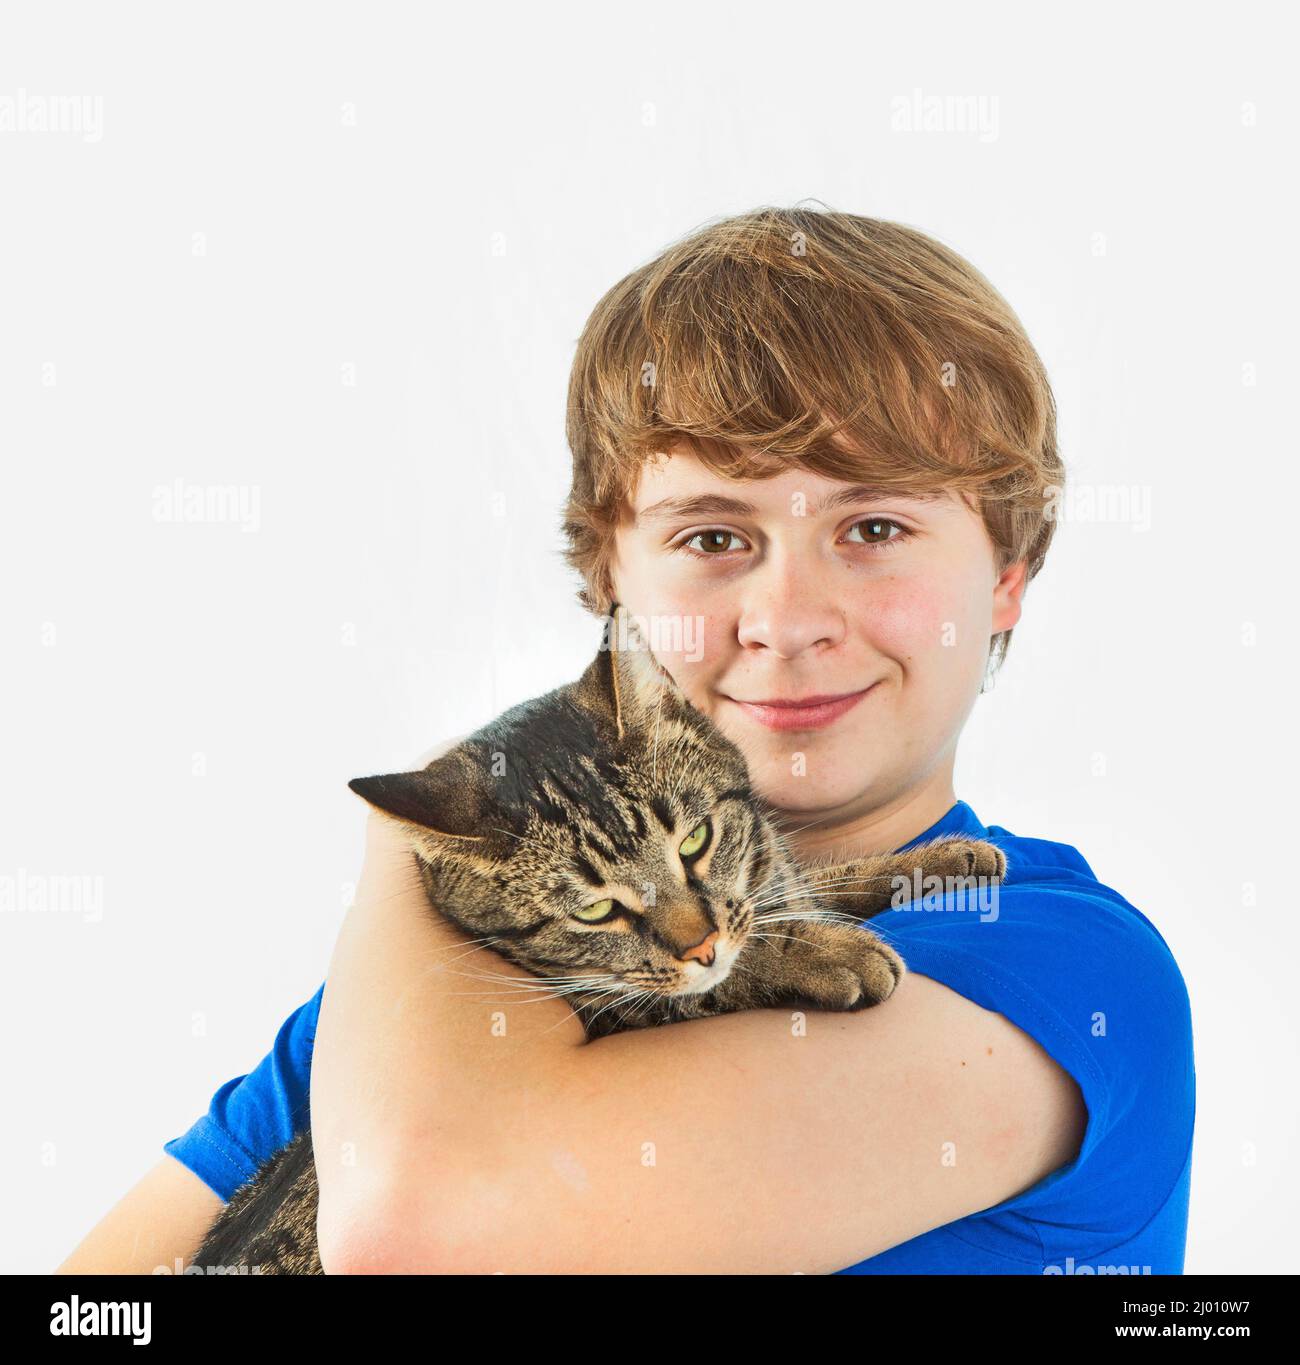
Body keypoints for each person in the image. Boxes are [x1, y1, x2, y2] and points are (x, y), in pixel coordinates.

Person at [57, 206, 1194, 1275]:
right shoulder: (420, 991)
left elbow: (418, 1228)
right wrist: (459, 807)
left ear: (1007, 574)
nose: (786, 620)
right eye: (711, 535)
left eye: (876, 526)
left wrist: (431, 827)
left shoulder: (1056, 965)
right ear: (612, 585)